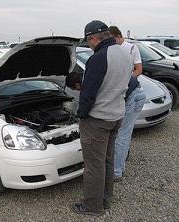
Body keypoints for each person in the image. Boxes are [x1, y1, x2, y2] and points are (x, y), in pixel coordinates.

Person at [71, 20, 132, 216]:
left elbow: (88, 93)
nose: (88, 45)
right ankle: (105, 199)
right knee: (107, 161)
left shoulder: (98, 58)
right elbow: (130, 84)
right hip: (116, 116)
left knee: (93, 166)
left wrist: (81, 115)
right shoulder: (125, 52)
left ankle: (92, 206)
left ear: (93, 38)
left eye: (88, 42)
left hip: (97, 120)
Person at [109, 26, 146, 181]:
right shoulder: (113, 49)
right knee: (126, 133)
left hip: (131, 93)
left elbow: (139, 69)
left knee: (121, 136)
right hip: (133, 93)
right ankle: (121, 163)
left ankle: (116, 172)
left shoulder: (131, 48)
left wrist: (128, 79)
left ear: (118, 36)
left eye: (112, 40)